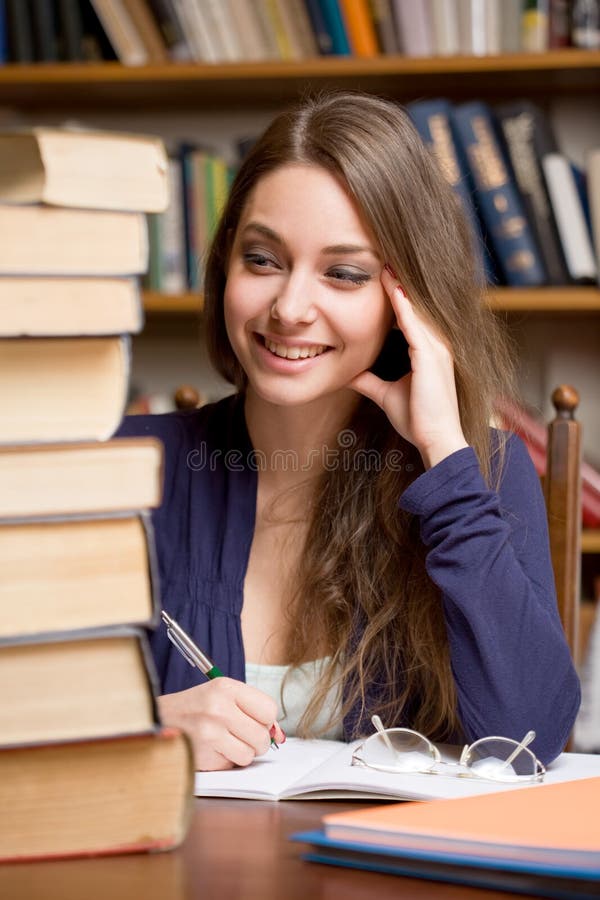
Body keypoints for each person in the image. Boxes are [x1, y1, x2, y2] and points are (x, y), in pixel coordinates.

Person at [118, 92, 580, 772]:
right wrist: (142, 729)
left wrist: (443, 456)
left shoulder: (480, 473)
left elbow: (530, 741)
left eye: (343, 273)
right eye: (263, 260)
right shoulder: (130, 463)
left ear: (409, 304)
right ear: (224, 270)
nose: (290, 307)